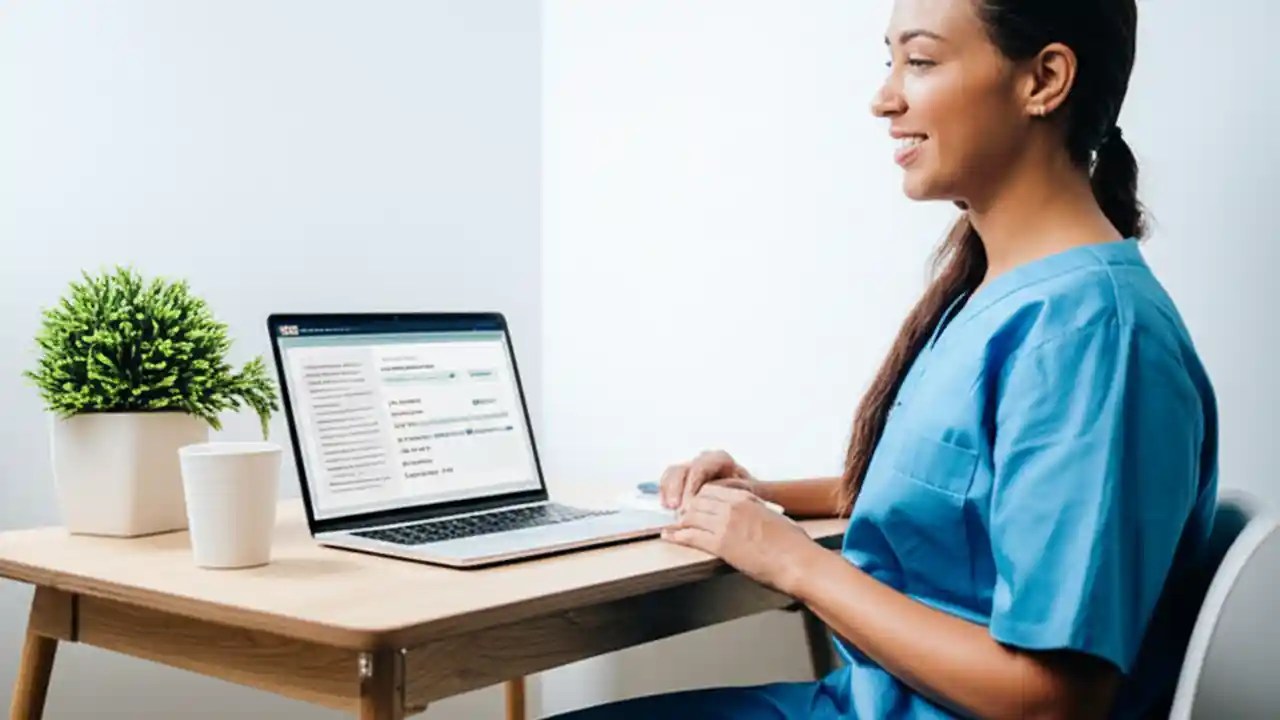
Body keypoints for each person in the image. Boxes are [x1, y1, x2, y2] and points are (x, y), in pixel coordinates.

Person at [550, 0, 1218, 718]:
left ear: (1044, 80)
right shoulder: (1009, 295)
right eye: (889, 61)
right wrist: (764, 492)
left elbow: (1051, 701)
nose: (884, 97)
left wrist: (794, 562)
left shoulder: (1091, 337)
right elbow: (960, 495)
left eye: (921, 60)